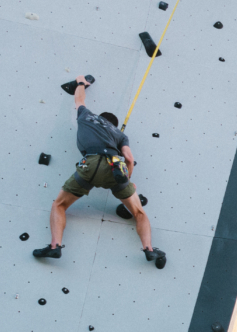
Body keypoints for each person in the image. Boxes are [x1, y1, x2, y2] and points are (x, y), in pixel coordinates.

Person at [33, 75, 164, 265]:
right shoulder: (120, 134)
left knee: (59, 205)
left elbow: (79, 99)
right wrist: (126, 179)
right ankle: (149, 249)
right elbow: (129, 158)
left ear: (100, 118)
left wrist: (81, 83)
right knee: (139, 213)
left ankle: (55, 246)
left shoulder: (87, 116)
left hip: (90, 164)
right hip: (115, 168)